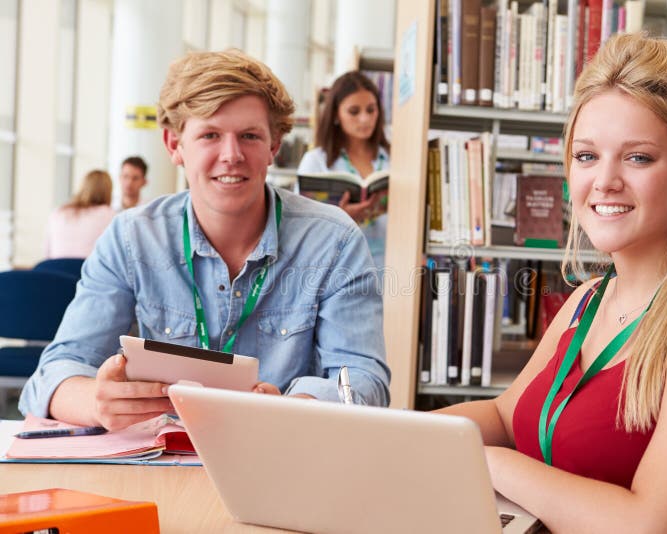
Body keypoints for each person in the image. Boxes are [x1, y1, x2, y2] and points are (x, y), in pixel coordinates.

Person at [438, 32, 667, 532]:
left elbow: (653, 525)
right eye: (586, 156)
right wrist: (401, 433)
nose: (605, 181)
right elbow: (508, 420)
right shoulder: (588, 300)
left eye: (637, 157)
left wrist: (488, 463)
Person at [20, 49, 390, 431]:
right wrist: (98, 403)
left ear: (274, 146)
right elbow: (52, 376)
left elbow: (364, 380)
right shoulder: (131, 237)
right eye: (210, 135)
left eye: (249, 136)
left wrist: (294, 408)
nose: (231, 155)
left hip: (281, 456)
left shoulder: (334, 241)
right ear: (174, 145)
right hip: (159, 466)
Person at [297, 71, 390, 270]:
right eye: (354, 111)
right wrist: (342, 218)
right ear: (336, 115)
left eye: (371, 110)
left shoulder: (395, 158)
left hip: (392, 270)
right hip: (337, 271)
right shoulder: (315, 162)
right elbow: (299, 227)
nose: (365, 119)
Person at [45, 169, 115, 259]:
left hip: (52, 269)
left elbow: (47, 253)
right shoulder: (110, 215)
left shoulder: (58, 212)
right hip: (84, 270)